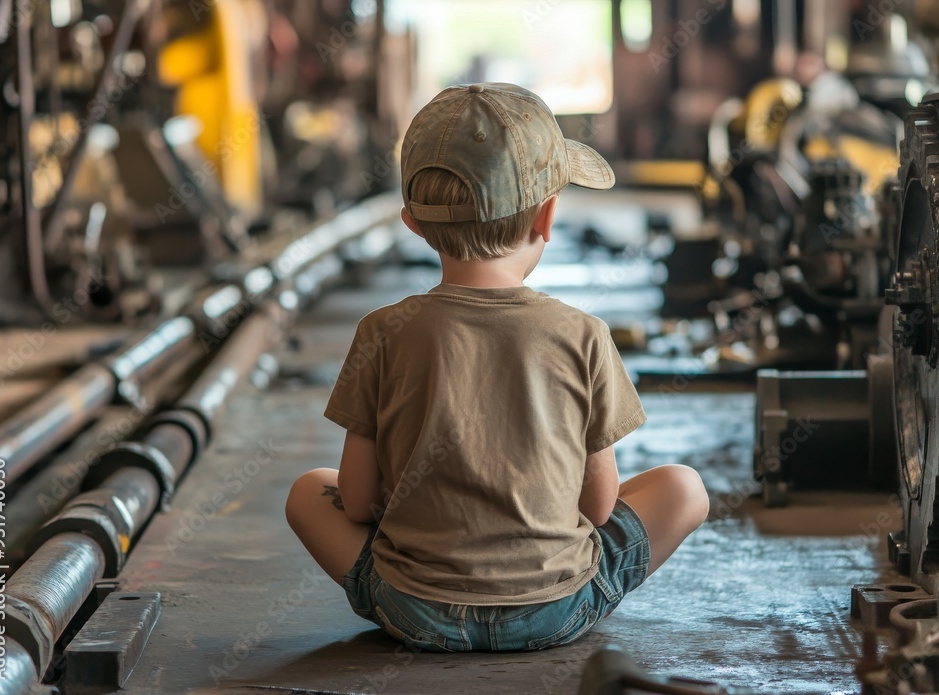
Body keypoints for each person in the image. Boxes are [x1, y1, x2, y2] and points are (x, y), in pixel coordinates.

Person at [286, 83, 709, 652]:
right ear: (547, 217)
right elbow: (598, 506)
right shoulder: (584, 334)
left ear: (411, 221)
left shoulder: (380, 332)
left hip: (415, 610)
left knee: (308, 492)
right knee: (684, 487)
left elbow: (358, 504)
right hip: (557, 608)